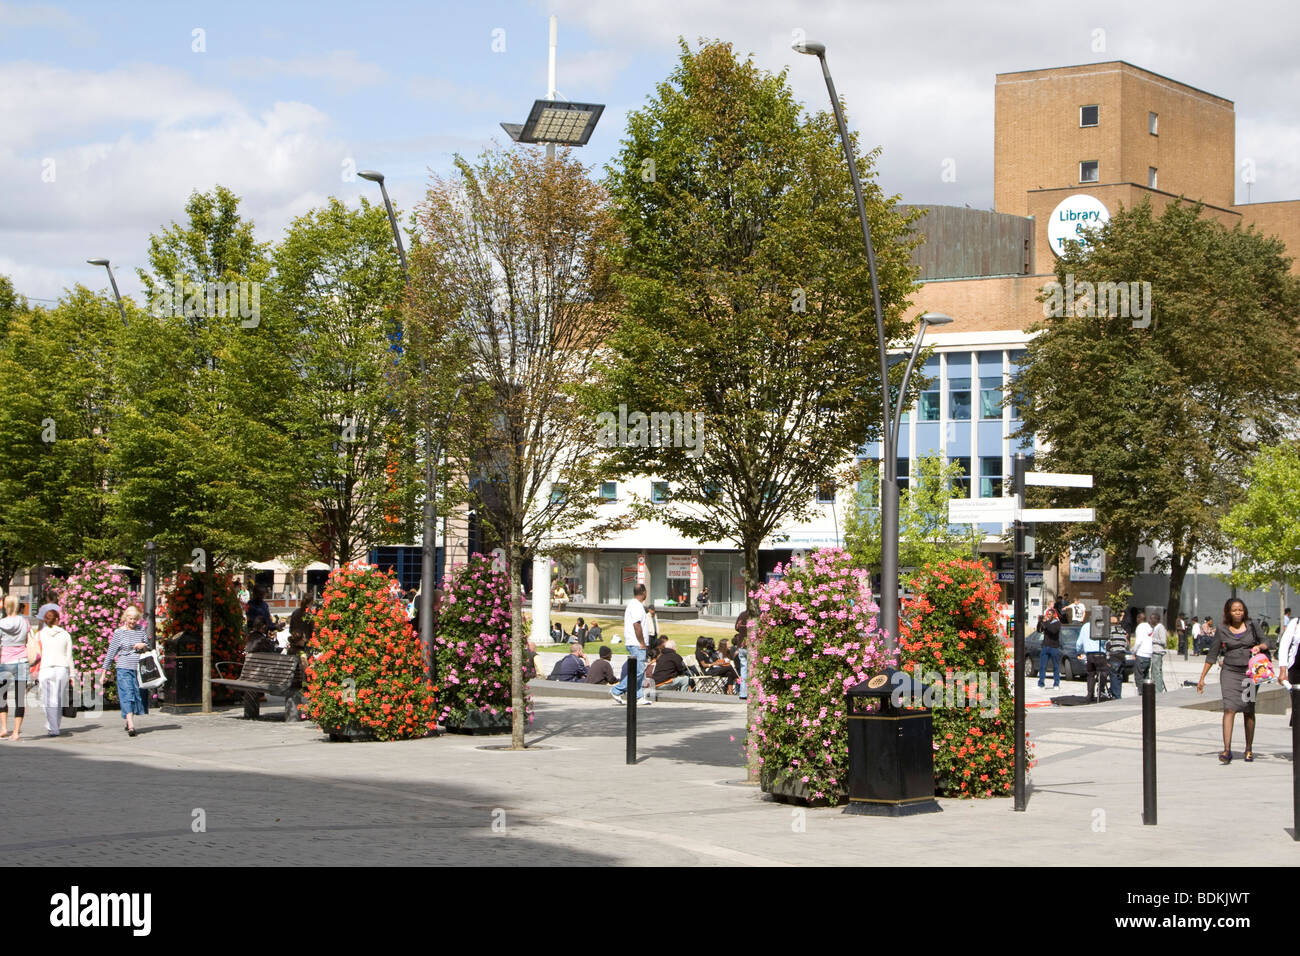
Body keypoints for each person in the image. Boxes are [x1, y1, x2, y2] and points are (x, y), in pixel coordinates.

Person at [1197, 598, 1270, 763]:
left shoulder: (1252, 625)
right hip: (1230, 672)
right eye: (1234, 610)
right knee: (1229, 708)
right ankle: (1227, 750)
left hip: (1250, 674)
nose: (1238, 613)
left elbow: (1266, 641)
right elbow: (1212, 655)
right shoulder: (1222, 629)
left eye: (1241, 610)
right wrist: (1202, 678)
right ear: (1228, 612)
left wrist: (1261, 647)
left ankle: (1248, 748)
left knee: (1248, 710)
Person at [98, 606, 152, 737]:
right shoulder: (119, 632)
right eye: (130, 618)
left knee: (136, 695)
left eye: (134, 619)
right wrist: (104, 672)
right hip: (123, 667)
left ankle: (129, 720)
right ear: (125, 618)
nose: (132, 621)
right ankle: (131, 725)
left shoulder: (141, 630)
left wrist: (143, 645)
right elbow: (111, 653)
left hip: (139, 668)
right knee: (127, 695)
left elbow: (149, 646)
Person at [610, 583, 651, 705]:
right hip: (636, 643)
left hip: (635, 642)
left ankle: (638, 696)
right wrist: (642, 642)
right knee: (637, 671)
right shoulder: (636, 606)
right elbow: (636, 625)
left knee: (639, 670)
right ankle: (617, 690)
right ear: (643, 592)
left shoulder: (634, 605)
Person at [36, 604, 73, 737]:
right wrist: (72, 675)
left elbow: (37, 653)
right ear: (57, 619)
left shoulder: (39, 635)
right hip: (62, 668)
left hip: (46, 668)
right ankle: (55, 725)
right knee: (58, 699)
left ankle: (53, 726)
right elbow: (69, 656)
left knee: (48, 700)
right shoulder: (65, 634)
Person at [0, 594, 33, 741]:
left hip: (5, 661)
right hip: (21, 661)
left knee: (2, 696)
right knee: (20, 698)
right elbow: (27, 639)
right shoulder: (25, 622)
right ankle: (16, 732)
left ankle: (3, 728)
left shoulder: (1, 623)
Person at [1076, 617, 1108, 702]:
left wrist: (1078, 651)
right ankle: (1100, 690)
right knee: (1103, 673)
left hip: (1089, 654)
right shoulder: (1100, 626)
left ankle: (1090, 694)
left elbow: (1079, 642)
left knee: (1090, 675)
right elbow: (1105, 640)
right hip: (1100, 653)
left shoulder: (1085, 626)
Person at [1038, 607, 1062, 689]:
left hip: (1054, 647)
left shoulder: (1057, 623)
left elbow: (1053, 631)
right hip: (1045, 646)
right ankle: (1041, 683)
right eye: (1047, 614)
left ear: (1053, 615)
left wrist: (1046, 622)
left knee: (1055, 666)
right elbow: (1039, 630)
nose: (1048, 616)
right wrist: (1040, 622)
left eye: (1049, 614)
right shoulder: (1047, 623)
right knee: (1042, 666)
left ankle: (1056, 684)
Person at [1106, 617, 1129, 699]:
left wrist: (1107, 656)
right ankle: (1118, 693)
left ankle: (1116, 696)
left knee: (1114, 676)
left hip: (1114, 655)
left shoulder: (1110, 631)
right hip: (1122, 655)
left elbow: (1108, 644)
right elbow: (1126, 644)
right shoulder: (1123, 631)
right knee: (1119, 676)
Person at [733, 611, 751, 699]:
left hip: (741, 645)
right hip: (751, 645)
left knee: (743, 670)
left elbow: (736, 627)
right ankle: (752, 692)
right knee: (753, 669)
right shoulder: (755, 614)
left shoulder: (742, 615)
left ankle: (743, 693)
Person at [1149, 611, 1168, 692]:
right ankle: (1156, 689)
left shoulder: (1160, 627)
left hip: (1158, 652)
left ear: (1156, 619)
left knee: (1157, 672)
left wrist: (1152, 639)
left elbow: (1163, 641)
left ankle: (1158, 690)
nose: (1150, 620)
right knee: (1154, 672)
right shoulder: (1155, 627)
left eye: (1151, 619)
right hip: (1154, 652)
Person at [1132, 611, 1153, 684]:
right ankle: (1147, 692)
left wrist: (1133, 651)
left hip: (1141, 654)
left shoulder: (1140, 627)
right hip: (1149, 655)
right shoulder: (1149, 627)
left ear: (1139, 619)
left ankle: (1140, 693)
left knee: (1139, 677)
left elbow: (1138, 641)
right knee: (1146, 676)